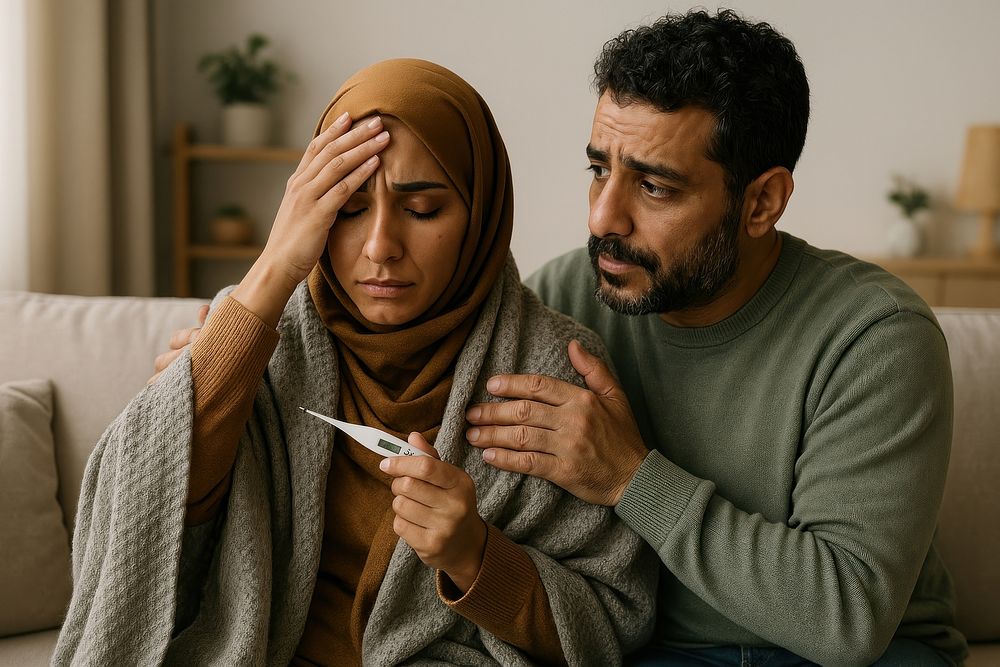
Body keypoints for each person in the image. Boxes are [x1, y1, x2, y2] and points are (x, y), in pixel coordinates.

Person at [55, 58, 656, 666]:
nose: (380, 247)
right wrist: (271, 272)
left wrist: (473, 555)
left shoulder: (551, 369)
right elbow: (144, 517)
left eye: (422, 210)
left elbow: (609, 624)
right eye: (347, 209)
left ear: (480, 215)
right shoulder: (254, 340)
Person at [460, 10, 968, 667]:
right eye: (598, 170)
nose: (602, 216)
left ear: (762, 202)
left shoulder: (875, 335)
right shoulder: (560, 299)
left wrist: (628, 476)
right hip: (651, 653)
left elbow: (846, 618)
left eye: (654, 185)